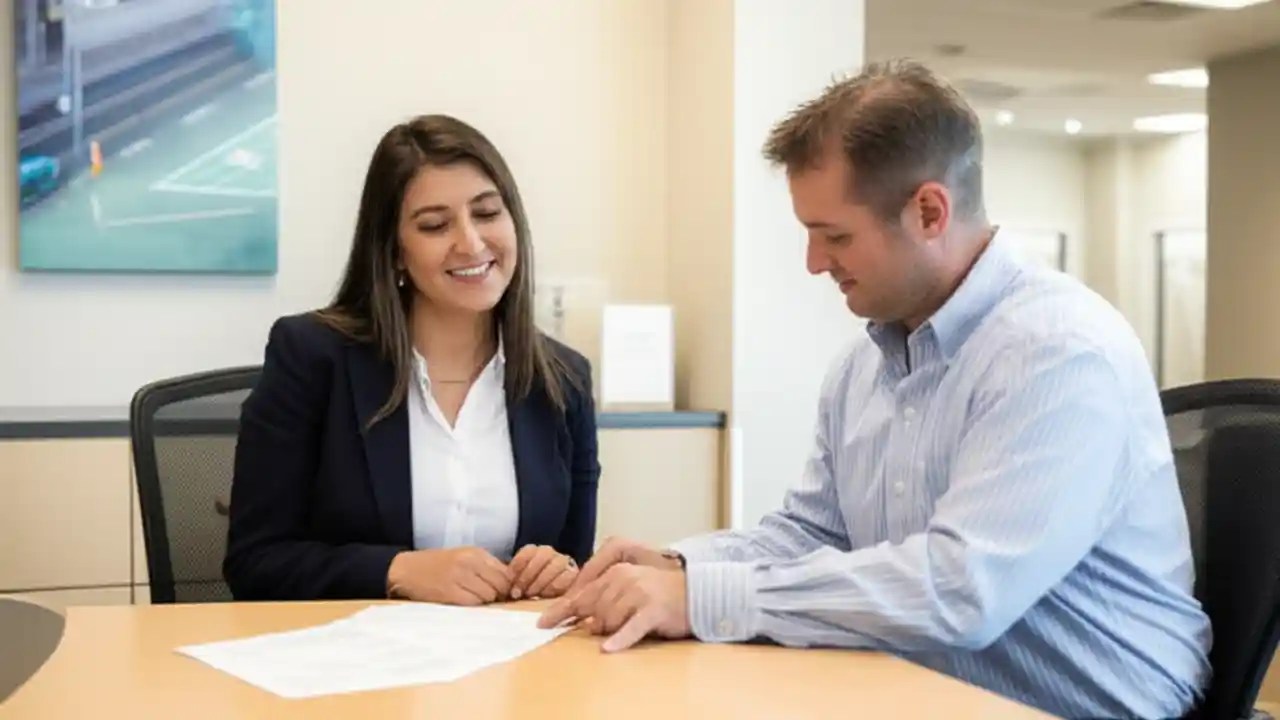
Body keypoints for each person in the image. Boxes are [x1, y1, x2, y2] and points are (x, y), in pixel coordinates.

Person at [539, 61, 1211, 719]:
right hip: (928, 691)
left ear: (928, 211)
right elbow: (812, 532)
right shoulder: (862, 368)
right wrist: (678, 565)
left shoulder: (1059, 354)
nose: (813, 263)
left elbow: (960, 589)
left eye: (834, 236)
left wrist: (704, 598)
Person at [225, 114, 600, 605]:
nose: (471, 242)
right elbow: (255, 562)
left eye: (487, 214)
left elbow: (573, 562)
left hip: (512, 671)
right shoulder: (312, 357)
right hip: (352, 666)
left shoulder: (563, 380)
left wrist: (561, 573)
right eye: (435, 225)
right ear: (394, 250)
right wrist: (396, 570)